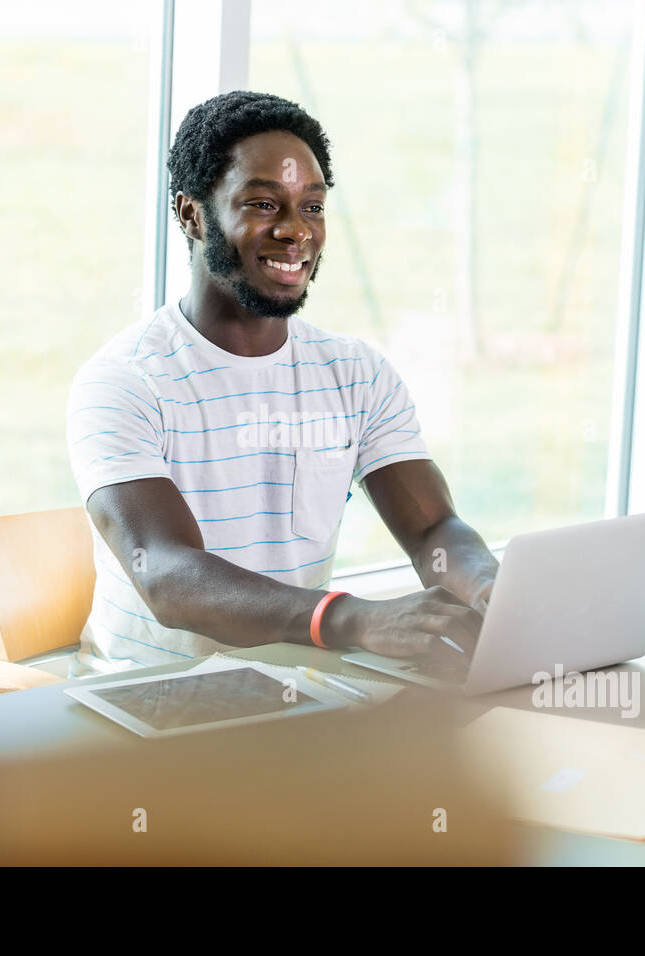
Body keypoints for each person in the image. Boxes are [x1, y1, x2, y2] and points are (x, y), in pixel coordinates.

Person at [66, 90, 498, 673]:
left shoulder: (356, 374)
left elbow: (434, 532)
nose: (297, 232)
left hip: (299, 687)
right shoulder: (123, 382)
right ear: (192, 214)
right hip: (154, 704)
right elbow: (165, 574)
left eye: (312, 207)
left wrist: (490, 590)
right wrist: (355, 620)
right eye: (265, 204)